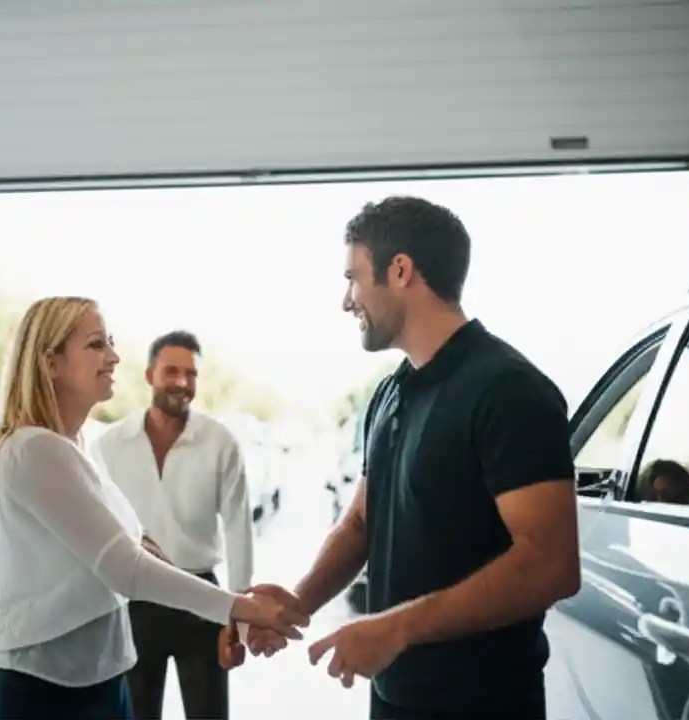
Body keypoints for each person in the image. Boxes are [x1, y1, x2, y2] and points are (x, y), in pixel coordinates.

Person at [220, 197, 581, 719]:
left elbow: (551, 565)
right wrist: (299, 604)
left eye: (353, 279)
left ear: (401, 270)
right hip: (395, 696)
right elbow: (364, 522)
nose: (347, 301)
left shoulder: (509, 390)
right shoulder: (389, 394)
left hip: (485, 704)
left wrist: (397, 626)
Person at [0, 296, 308, 720]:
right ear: (50, 363)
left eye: (110, 342)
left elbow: (142, 548)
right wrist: (242, 609)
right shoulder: (35, 450)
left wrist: (237, 609)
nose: (114, 356)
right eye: (96, 344)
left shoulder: (73, 447)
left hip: (102, 677)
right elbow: (125, 568)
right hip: (53, 690)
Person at [93, 330, 254, 720]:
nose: (181, 383)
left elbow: (238, 531)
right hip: (135, 605)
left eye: (190, 374)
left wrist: (238, 624)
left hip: (201, 602)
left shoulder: (220, 442)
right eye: (171, 371)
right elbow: (98, 532)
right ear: (150, 375)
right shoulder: (111, 445)